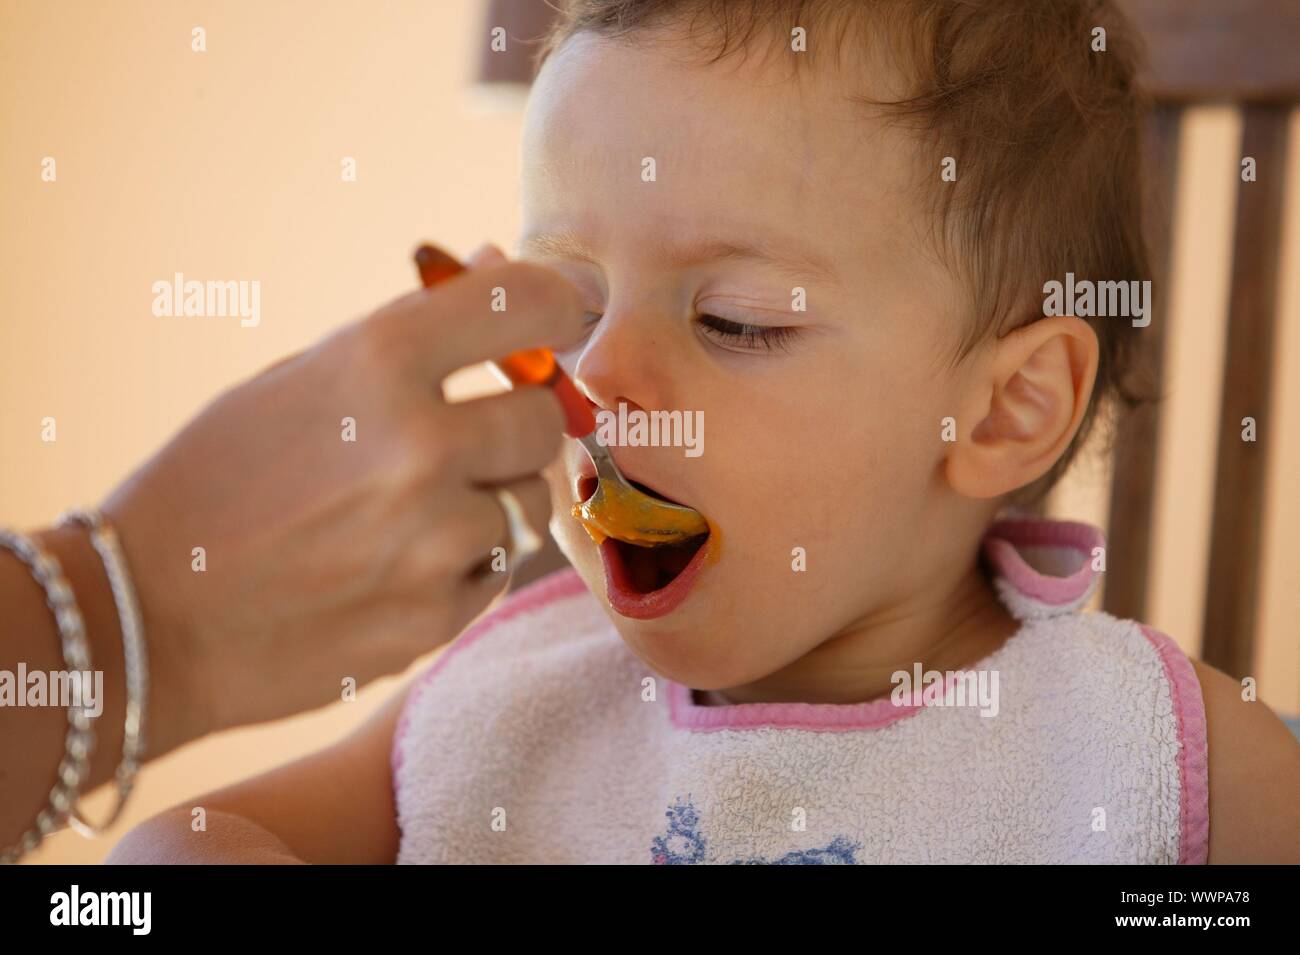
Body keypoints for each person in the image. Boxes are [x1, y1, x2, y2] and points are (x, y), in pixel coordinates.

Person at [111, 0, 1300, 864]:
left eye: (734, 321)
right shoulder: (512, 699)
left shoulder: (1152, 761)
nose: (602, 375)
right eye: (572, 306)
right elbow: (193, 847)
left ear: (1003, 407)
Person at [0, 248, 586, 859]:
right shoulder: (513, 674)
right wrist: (145, 612)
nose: (601, 371)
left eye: (702, 318)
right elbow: (165, 856)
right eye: (586, 314)